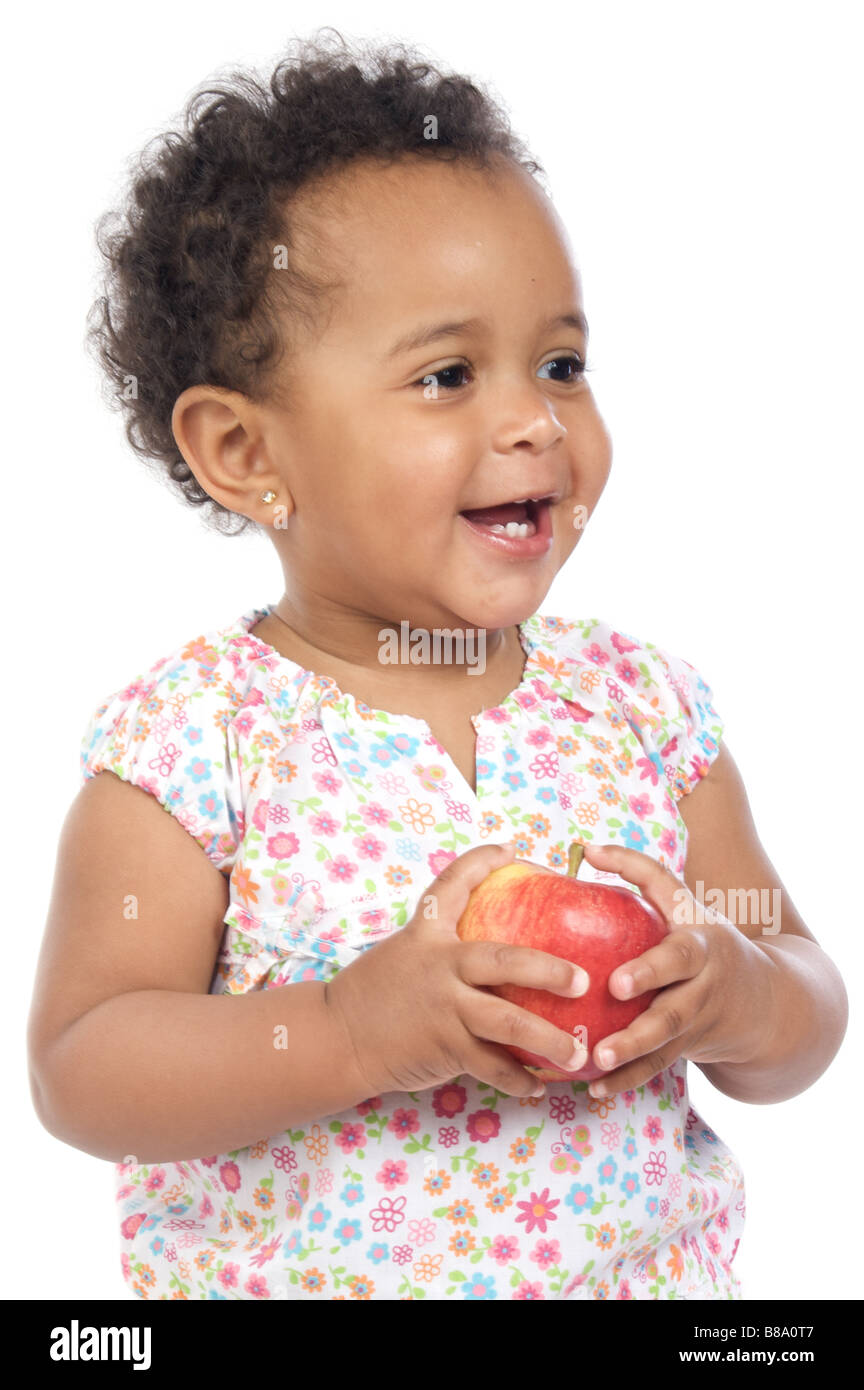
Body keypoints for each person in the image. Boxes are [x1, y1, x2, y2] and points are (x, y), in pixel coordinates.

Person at [27, 28, 847, 1302]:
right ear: (246, 453)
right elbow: (85, 1064)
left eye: (563, 365)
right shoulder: (194, 742)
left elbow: (801, 1000)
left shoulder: (644, 709)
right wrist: (349, 1030)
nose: (534, 420)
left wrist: (732, 990)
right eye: (448, 373)